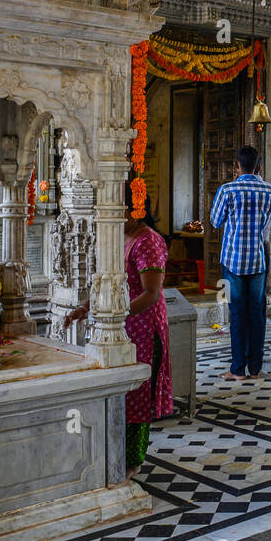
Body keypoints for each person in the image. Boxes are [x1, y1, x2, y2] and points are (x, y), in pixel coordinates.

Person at [64, 195, 170, 477]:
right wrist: (85, 308)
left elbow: (151, 293)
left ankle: (131, 462)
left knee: (136, 394)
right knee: (116, 393)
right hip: (117, 326)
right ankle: (110, 456)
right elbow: (105, 280)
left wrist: (115, 315)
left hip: (143, 327)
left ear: (134, 209)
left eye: (117, 207)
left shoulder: (147, 241)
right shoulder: (116, 237)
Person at [210, 144, 271, 381]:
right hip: (258, 260)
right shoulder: (270, 192)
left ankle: (237, 368)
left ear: (237, 167)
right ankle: (256, 368)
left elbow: (216, 221)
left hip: (232, 261)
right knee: (257, 313)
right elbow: (268, 221)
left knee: (237, 313)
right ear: (258, 166)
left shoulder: (227, 191)